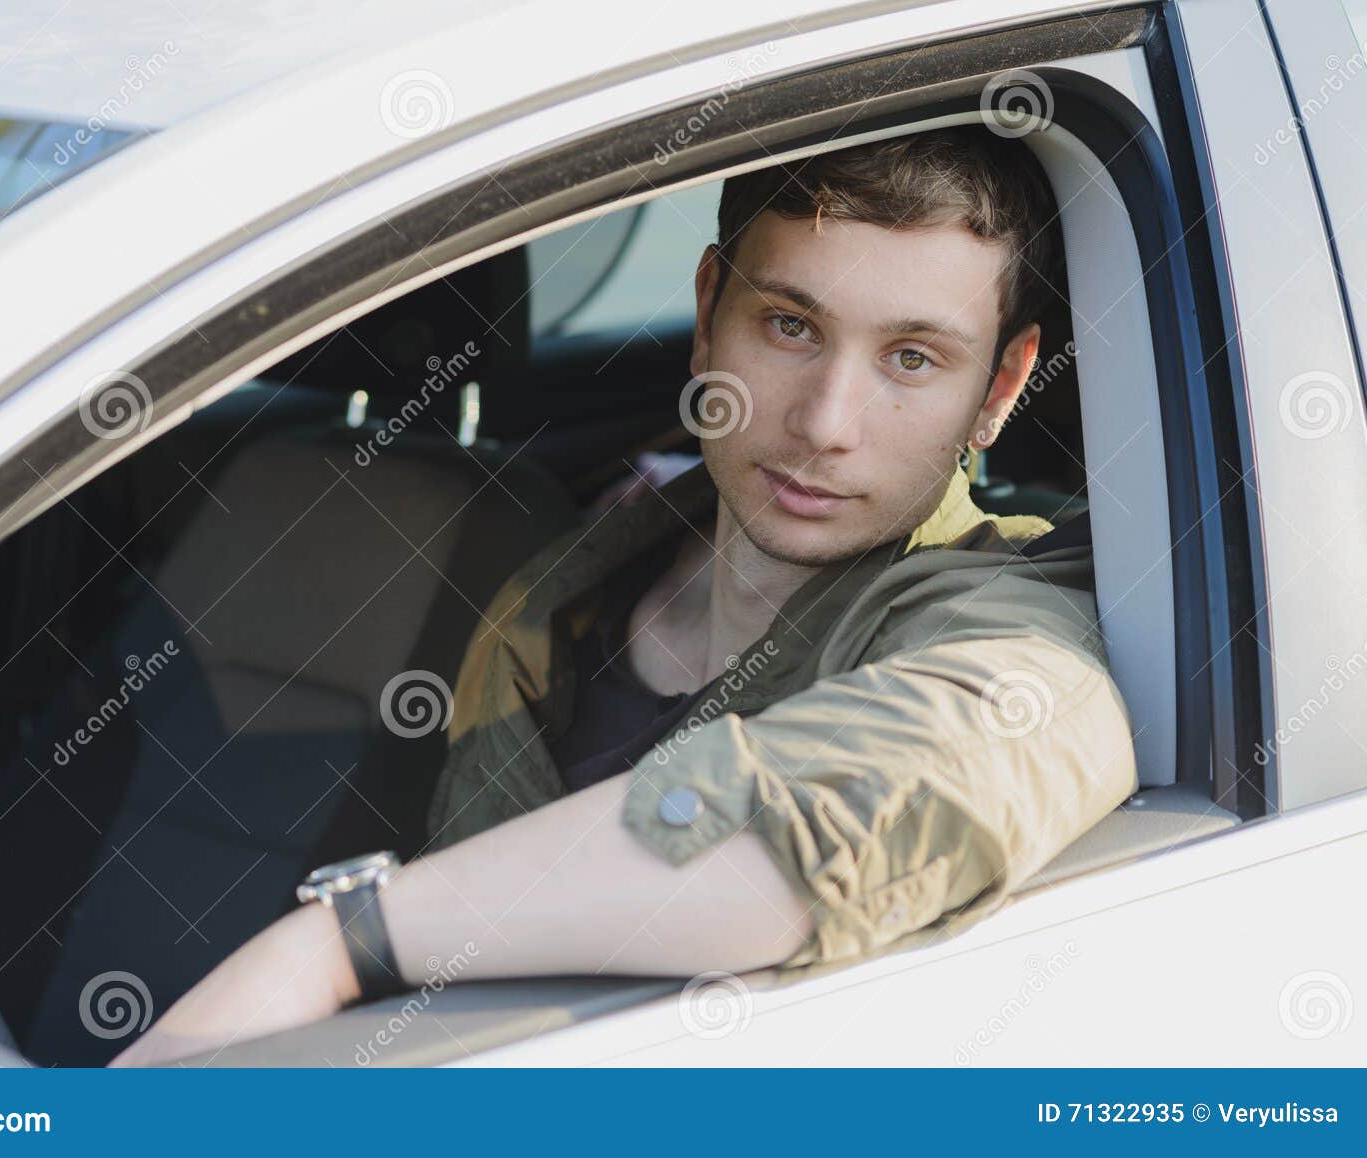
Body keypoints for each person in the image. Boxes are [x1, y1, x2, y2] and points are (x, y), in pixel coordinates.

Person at [113, 126, 1138, 1067]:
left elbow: (942, 766)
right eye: (789, 326)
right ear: (707, 316)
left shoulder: (1001, 611)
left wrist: (341, 943)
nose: (827, 422)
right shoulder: (556, 589)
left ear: (1000, 389)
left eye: (911, 359)